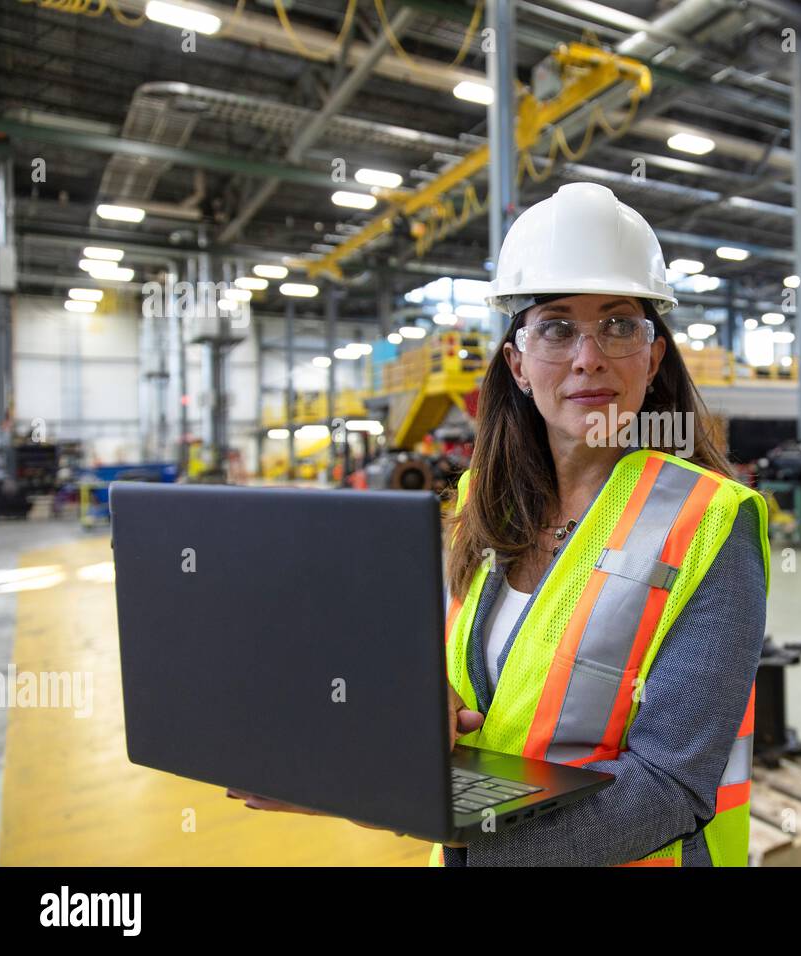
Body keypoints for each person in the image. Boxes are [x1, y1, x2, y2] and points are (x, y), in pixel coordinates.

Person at [229, 181, 770, 867]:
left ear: (653, 355)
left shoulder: (711, 523)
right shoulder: (481, 505)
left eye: (618, 323)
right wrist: (401, 742)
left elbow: (670, 789)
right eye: (556, 327)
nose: (588, 357)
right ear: (516, 363)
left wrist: (407, 813)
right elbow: (481, 688)